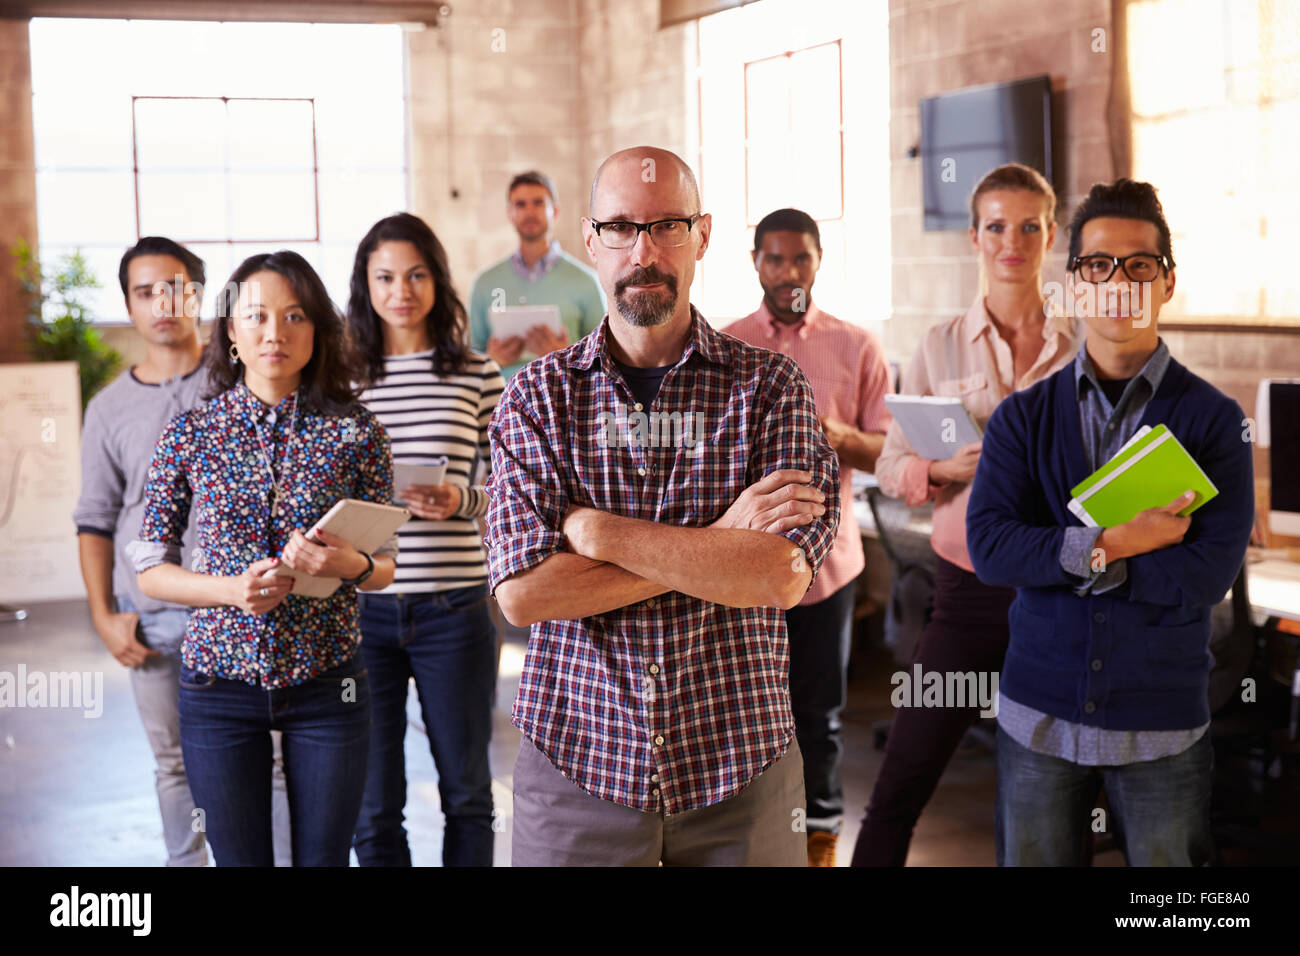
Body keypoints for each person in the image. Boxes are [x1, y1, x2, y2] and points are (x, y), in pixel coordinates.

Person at [485, 146, 841, 867]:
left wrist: (597, 533)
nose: (643, 251)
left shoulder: (772, 389)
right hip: (577, 764)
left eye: (667, 226)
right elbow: (525, 597)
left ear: (702, 236)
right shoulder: (538, 399)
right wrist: (718, 541)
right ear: (590, 240)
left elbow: (777, 576)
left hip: (742, 768)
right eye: (620, 227)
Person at [966, 178, 1255, 866]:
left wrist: (1062, 560)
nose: (1117, 282)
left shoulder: (1215, 422)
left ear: (1168, 283)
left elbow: (1205, 573)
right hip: (1038, 712)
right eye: (1097, 265)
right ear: (1072, 285)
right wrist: (1115, 543)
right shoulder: (1022, 418)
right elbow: (992, 549)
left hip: (1161, 721)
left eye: (1139, 266)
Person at [129, 250, 398, 867]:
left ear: (319, 329)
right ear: (230, 330)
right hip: (217, 685)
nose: (275, 332)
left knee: (324, 860)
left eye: (296, 315)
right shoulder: (190, 432)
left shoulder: (358, 430)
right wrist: (231, 591)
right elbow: (150, 567)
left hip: (330, 681)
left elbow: (384, 564)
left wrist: (348, 565)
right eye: (256, 315)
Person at [850, 164, 1081, 867]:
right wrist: (940, 470)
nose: (1013, 241)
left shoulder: (1082, 350)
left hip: (1059, 597)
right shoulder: (938, 345)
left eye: (1029, 226)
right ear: (974, 238)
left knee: (1047, 799)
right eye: (996, 226)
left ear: (1049, 235)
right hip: (968, 595)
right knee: (902, 778)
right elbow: (890, 466)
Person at [726, 207, 892, 866]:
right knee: (746, 714)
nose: (788, 272)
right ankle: (749, 840)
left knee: (819, 716)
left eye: (800, 258)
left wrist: (842, 438)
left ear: (819, 260)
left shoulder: (856, 347)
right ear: (756, 264)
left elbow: (893, 454)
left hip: (827, 571)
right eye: (775, 259)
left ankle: (820, 844)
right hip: (742, 572)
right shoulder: (728, 344)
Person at [348, 213, 505, 867]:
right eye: (384, 277)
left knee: (467, 792)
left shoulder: (477, 373)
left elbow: (514, 491)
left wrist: (461, 499)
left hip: (456, 610)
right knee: (373, 805)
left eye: (415, 275)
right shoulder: (341, 378)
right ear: (365, 285)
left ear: (437, 281)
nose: (401, 290)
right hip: (360, 611)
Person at [468, 170, 606, 381]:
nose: (529, 211)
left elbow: (605, 361)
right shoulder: (484, 284)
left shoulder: (587, 282)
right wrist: (490, 359)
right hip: (500, 405)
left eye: (538, 203)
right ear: (510, 213)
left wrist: (565, 356)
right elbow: (469, 361)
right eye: (520, 204)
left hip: (565, 405)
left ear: (555, 211)